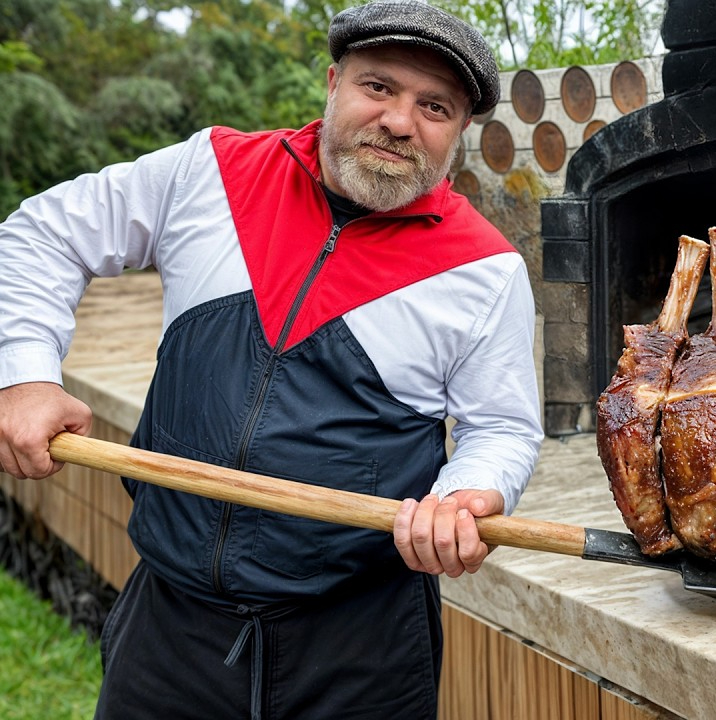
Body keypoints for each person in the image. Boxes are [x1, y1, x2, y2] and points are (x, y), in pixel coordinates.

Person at [0, 1, 543, 717]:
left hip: (363, 650)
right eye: (377, 87)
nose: (400, 121)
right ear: (332, 82)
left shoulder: (486, 270)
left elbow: (501, 428)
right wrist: (24, 373)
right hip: (168, 627)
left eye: (433, 105)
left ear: (461, 131)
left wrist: (467, 492)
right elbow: (41, 234)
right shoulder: (211, 170)